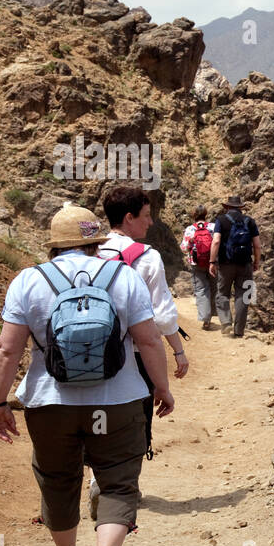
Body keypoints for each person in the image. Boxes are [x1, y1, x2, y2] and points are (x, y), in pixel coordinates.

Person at [0, 205, 174, 546]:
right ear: (96, 243)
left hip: (50, 402)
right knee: (118, 481)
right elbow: (147, 341)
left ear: (54, 246)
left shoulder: (28, 280)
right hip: (119, 400)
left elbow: (8, 348)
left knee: (57, 478)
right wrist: (161, 388)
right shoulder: (123, 276)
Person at [99, 186, 189, 467]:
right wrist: (178, 350)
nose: (150, 222)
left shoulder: (89, 250)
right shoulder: (148, 257)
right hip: (135, 356)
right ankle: (123, 483)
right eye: (146, 215)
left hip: (93, 349)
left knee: (99, 416)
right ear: (129, 217)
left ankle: (96, 478)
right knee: (135, 419)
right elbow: (161, 316)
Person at [209, 194, 261, 338]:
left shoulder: (221, 220)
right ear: (241, 208)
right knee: (243, 296)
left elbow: (216, 241)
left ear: (226, 207)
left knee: (222, 293)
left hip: (226, 264)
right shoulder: (250, 221)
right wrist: (256, 261)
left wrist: (212, 262)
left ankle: (226, 322)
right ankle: (239, 331)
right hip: (245, 264)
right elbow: (257, 245)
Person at [180, 205, 217, 329]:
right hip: (213, 262)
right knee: (213, 288)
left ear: (194, 215)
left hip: (196, 263)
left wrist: (191, 242)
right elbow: (218, 243)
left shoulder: (190, 229)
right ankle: (212, 314)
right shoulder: (212, 227)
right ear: (205, 214)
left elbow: (184, 248)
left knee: (201, 290)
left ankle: (205, 319)